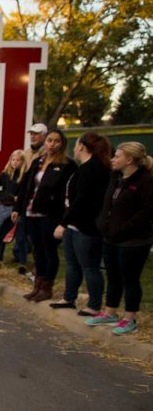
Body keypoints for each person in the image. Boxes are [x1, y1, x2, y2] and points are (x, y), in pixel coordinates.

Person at [86, 142, 153, 335]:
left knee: (130, 279)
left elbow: (146, 212)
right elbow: (108, 204)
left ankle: (129, 318)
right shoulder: (116, 178)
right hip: (110, 237)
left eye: (117, 156)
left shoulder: (145, 181)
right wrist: (102, 223)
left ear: (129, 160)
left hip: (134, 241)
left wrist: (124, 228)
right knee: (113, 276)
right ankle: (110, 312)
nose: (113, 159)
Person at [49, 132, 111, 315]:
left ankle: (94, 304)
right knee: (72, 264)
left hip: (86, 226)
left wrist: (63, 223)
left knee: (90, 266)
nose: (74, 149)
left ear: (82, 146)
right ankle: (69, 297)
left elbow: (82, 200)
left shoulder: (94, 168)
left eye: (76, 145)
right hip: (74, 225)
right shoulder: (83, 167)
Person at [13, 129, 77, 303]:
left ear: (62, 144)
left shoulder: (67, 165)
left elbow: (68, 192)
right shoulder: (38, 162)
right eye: (49, 140)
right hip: (31, 211)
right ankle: (38, 284)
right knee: (37, 250)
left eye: (56, 141)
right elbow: (26, 185)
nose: (52, 144)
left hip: (50, 214)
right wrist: (18, 208)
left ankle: (47, 286)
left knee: (49, 250)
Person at [0, 150, 26, 267]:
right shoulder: (5, 174)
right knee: (2, 234)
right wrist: (5, 197)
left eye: (18, 160)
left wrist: (18, 198)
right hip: (5, 207)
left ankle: (22, 262)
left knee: (20, 237)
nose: (15, 162)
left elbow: (25, 192)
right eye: (13, 160)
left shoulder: (25, 176)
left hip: (19, 208)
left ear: (23, 162)